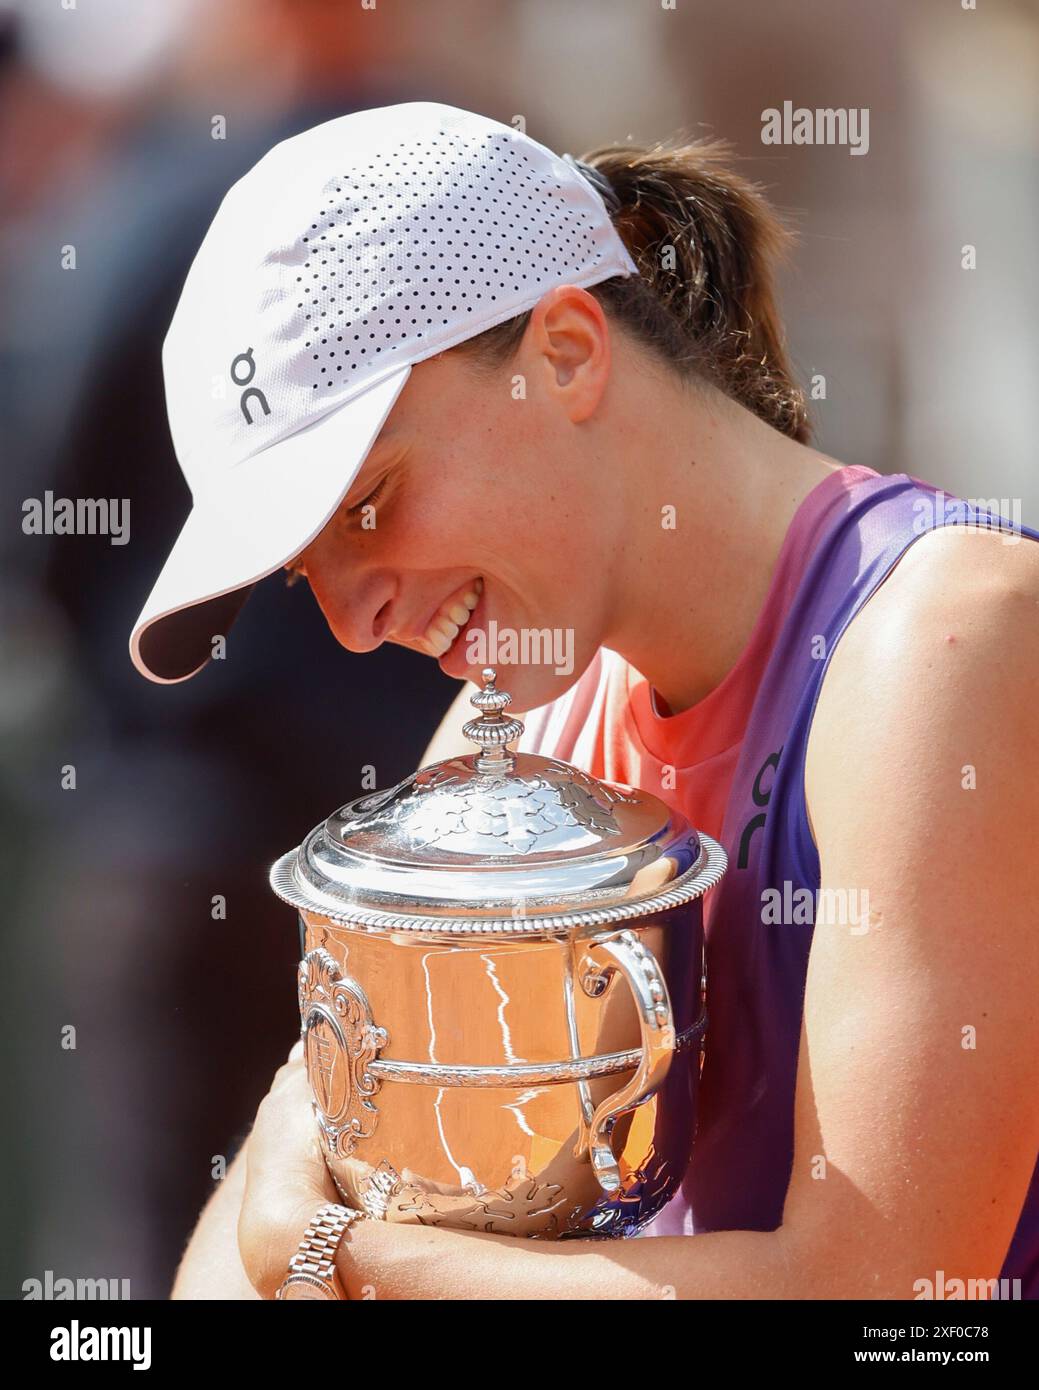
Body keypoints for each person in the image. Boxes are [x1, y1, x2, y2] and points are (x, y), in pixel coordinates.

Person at [131, 103, 1039, 1300]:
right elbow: (222, 1275)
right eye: (309, 574)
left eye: (368, 504)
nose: (353, 624)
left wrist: (340, 1253)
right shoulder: (524, 725)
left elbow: (884, 1298)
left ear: (565, 351)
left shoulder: (949, 634)